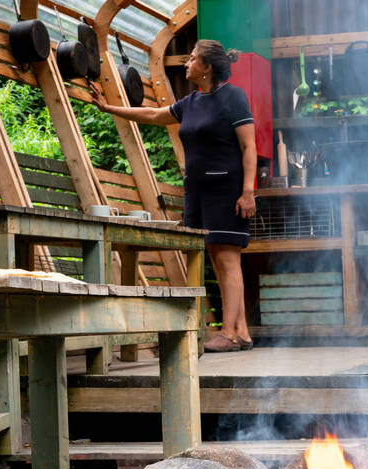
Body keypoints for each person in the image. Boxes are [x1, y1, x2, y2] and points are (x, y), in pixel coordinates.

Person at [90, 40, 256, 352]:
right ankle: (241, 332)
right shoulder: (190, 102)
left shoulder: (232, 97)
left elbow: (249, 147)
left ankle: (229, 332)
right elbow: (154, 114)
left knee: (227, 258)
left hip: (226, 189)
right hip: (198, 192)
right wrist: (108, 108)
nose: (187, 64)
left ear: (207, 67)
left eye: (192, 59)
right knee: (215, 258)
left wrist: (248, 192)